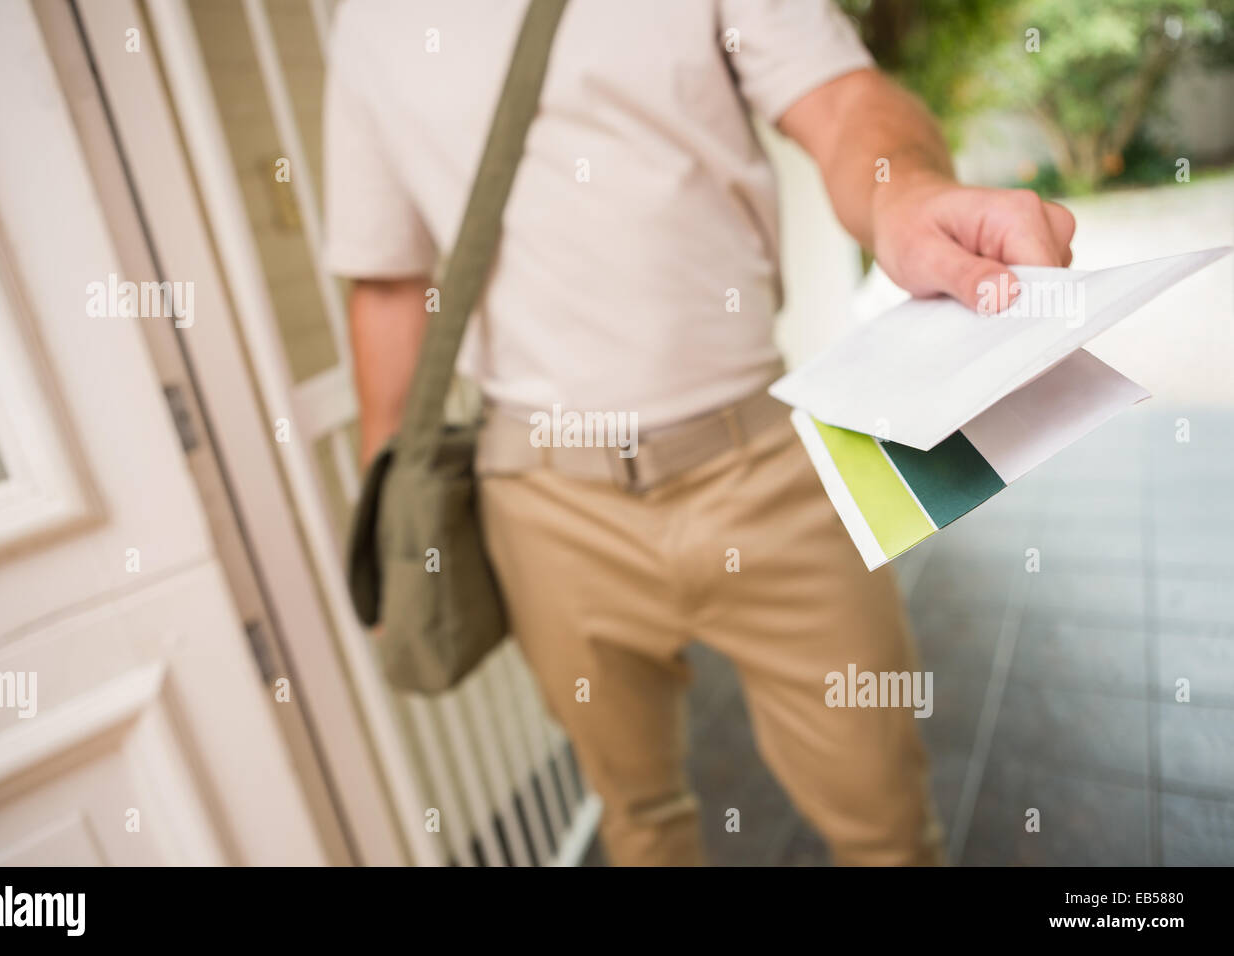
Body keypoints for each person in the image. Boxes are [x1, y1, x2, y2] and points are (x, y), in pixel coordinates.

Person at [323, 0, 1075, 866]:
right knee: (638, 821)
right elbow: (386, 282)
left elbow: (842, 103)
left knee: (887, 823)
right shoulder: (371, 26)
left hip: (763, 466)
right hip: (540, 501)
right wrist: (390, 521)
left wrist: (907, 188)